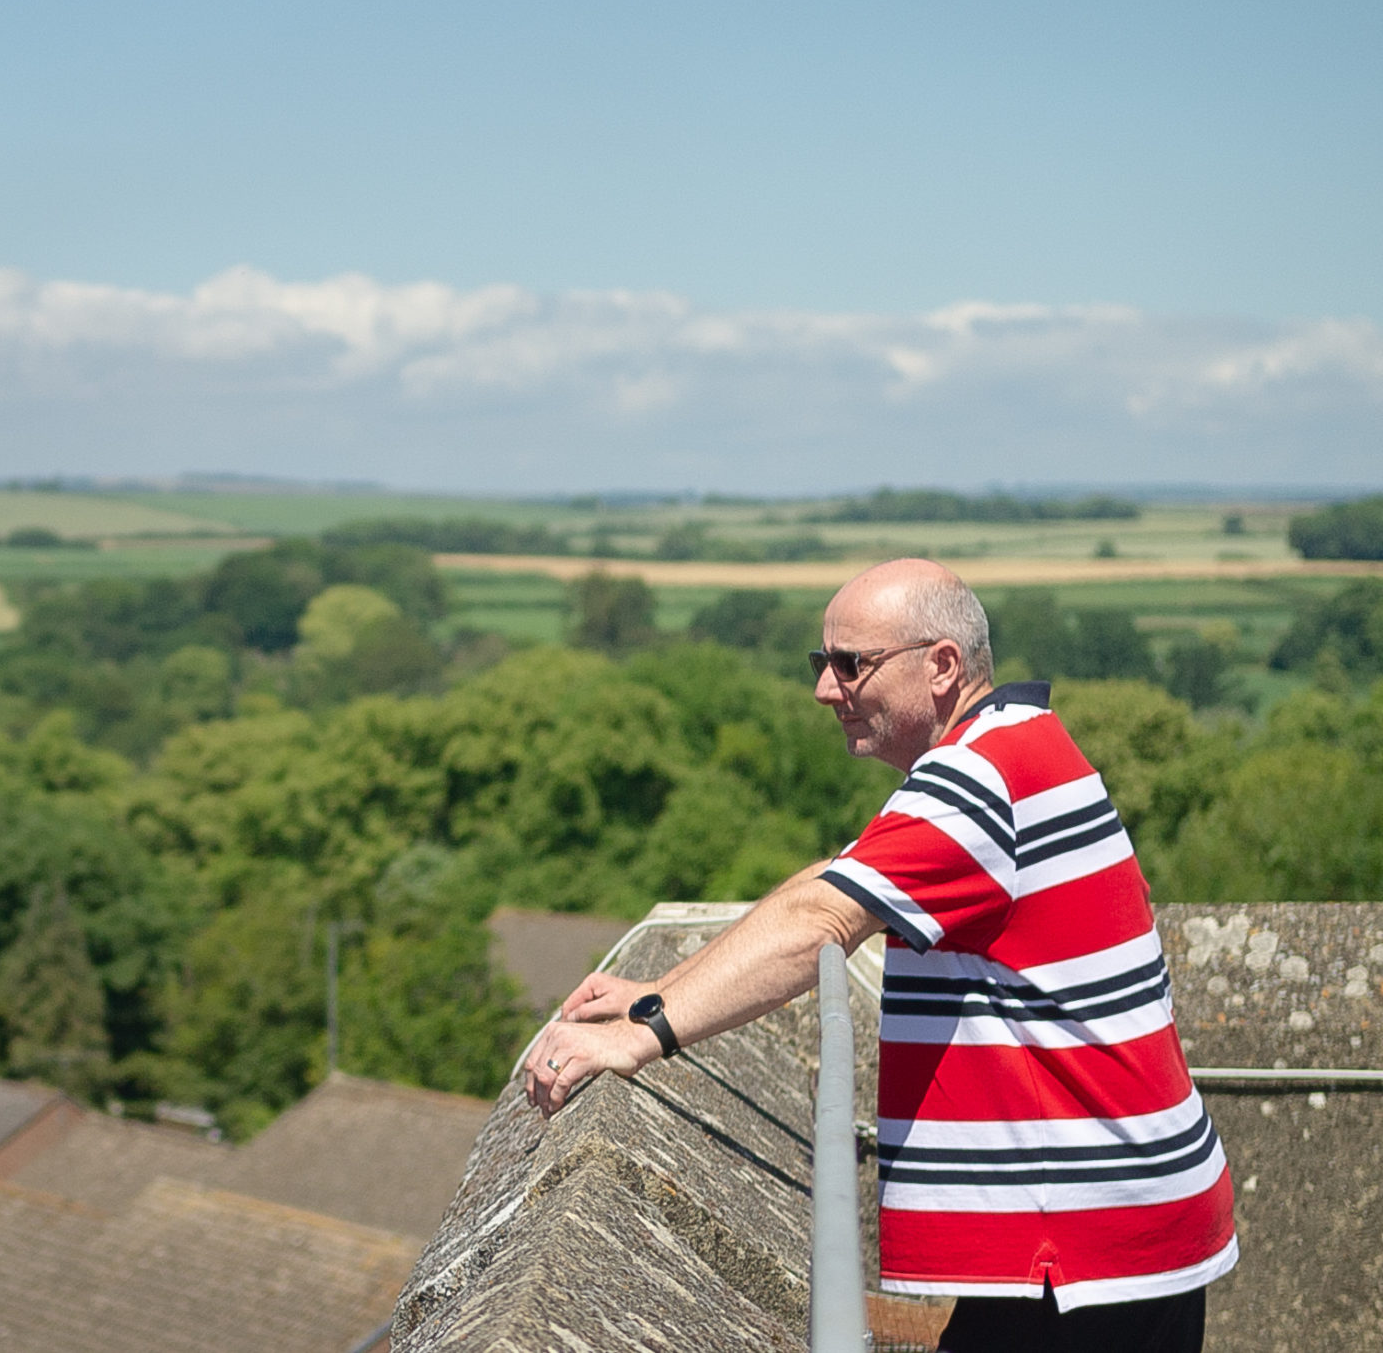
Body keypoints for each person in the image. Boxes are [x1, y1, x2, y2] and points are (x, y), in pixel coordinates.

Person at [524, 559, 1235, 1352]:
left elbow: (821, 917)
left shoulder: (978, 778)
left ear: (942, 665)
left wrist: (640, 1032)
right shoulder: (1012, 742)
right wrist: (660, 987)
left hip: (1080, 1240)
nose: (826, 689)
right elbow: (835, 879)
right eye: (820, 663)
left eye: (851, 664)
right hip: (1109, 1221)